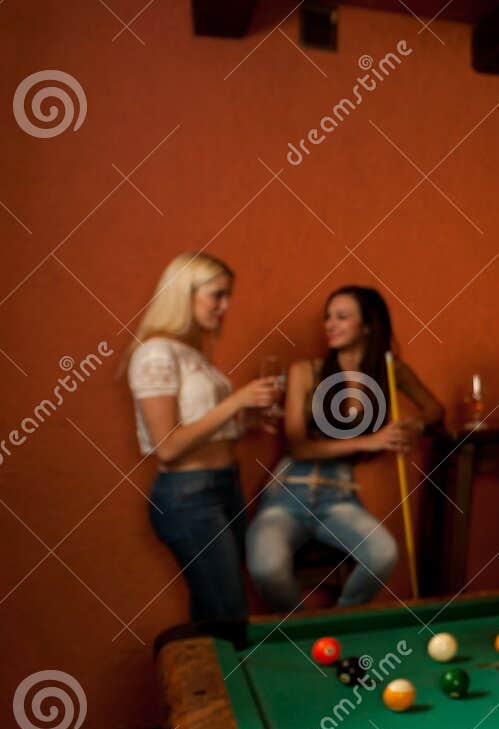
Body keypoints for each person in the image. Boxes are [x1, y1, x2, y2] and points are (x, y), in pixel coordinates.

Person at [246, 286, 444, 612]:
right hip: (288, 492)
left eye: (342, 317)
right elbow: (297, 446)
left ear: (367, 325)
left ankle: (338, 623)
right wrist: (371, 440)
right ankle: (305, 634)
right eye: (328, 318)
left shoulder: (388, 370)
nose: (330, 325)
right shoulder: (305, 371)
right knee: (267, 568)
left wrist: (410, 427)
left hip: (338, 496)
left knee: (383, 553)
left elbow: (434, 410)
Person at [126, 252, 281, 622]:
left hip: (225, 486)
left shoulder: (193, 354)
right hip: (187, 496)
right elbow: (168, 447)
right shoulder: (155, 353)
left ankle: (203, 679)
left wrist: (245, 424)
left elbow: (202, 427)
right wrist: (237, 401)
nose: (225, 306)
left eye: (228, 296)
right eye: (217, 295)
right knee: (227, 612)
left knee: (214, 606)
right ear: (184, 293)